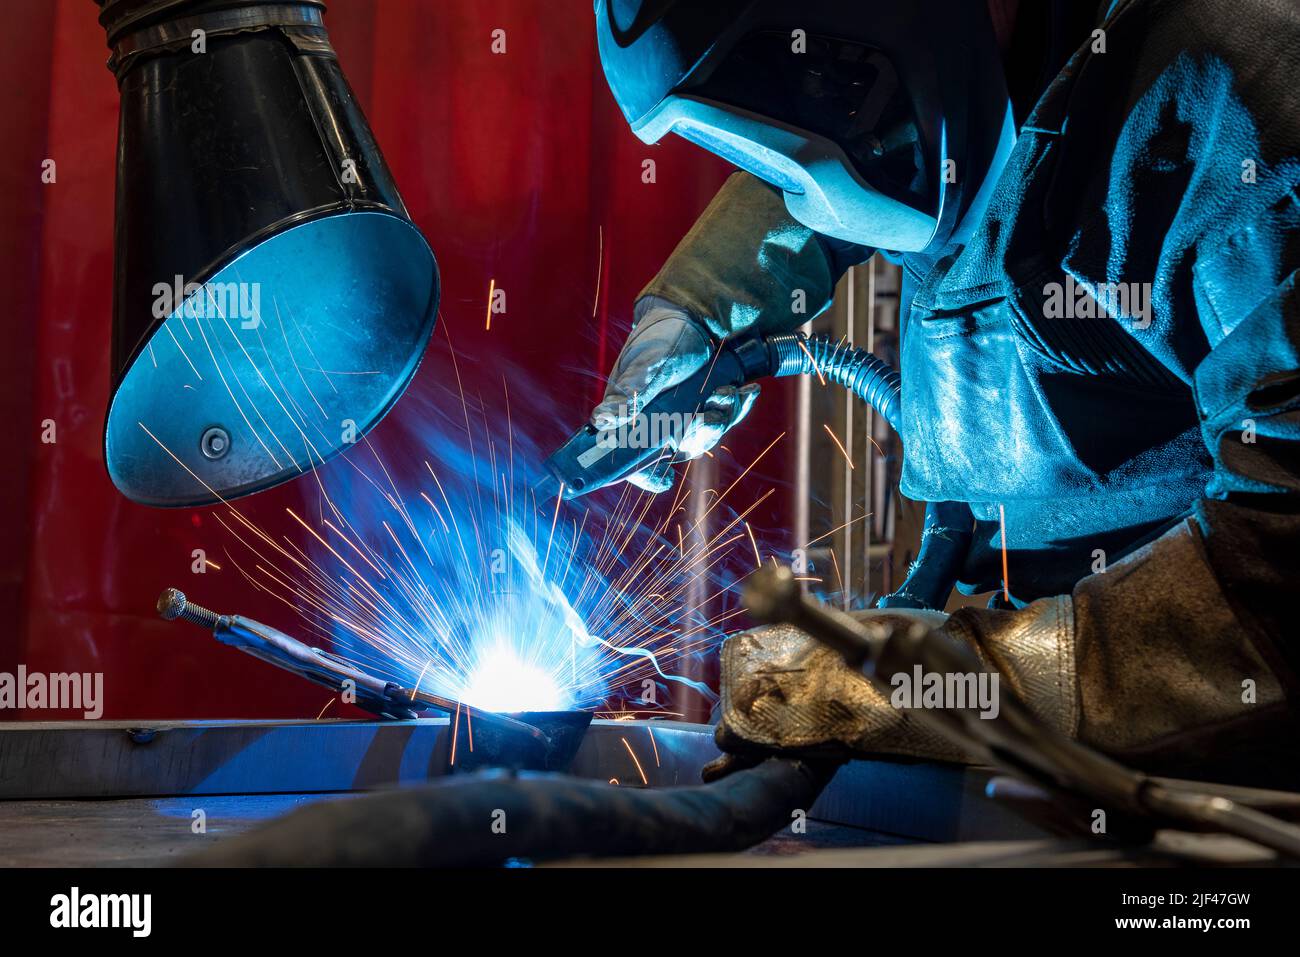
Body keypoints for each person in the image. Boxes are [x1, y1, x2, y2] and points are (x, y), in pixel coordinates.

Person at [588, 0, 1300, 779]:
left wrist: (947, 683)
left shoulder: (1246, 102)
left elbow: (1269, 609)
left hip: (1212, 762)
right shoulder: (957, 73)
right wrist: (699, 305)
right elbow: (836, 153)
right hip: (1027, 691)